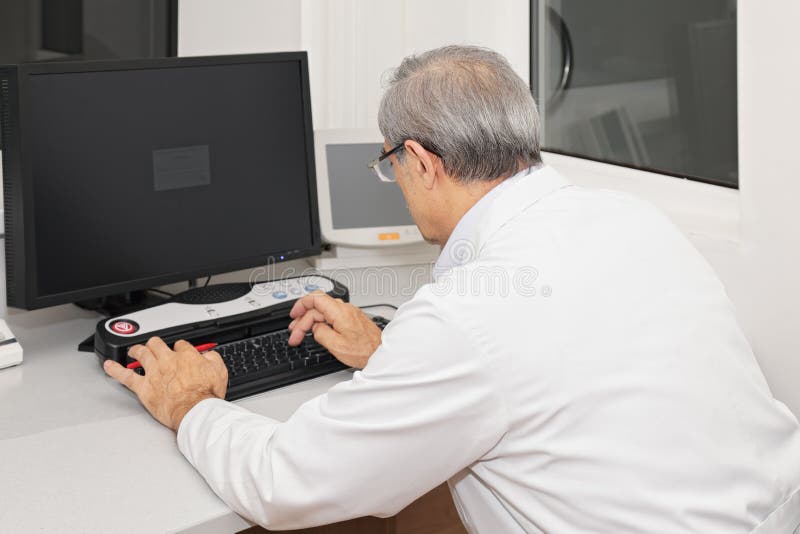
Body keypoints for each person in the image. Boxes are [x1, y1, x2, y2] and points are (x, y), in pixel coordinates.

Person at [104, 46, 800, 533]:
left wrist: (192, 407)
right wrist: (389, 353)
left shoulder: (469, 320)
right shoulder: (628, 217)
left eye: (392, 168)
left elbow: (290, 484)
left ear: (420, 161)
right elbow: (555, 369)